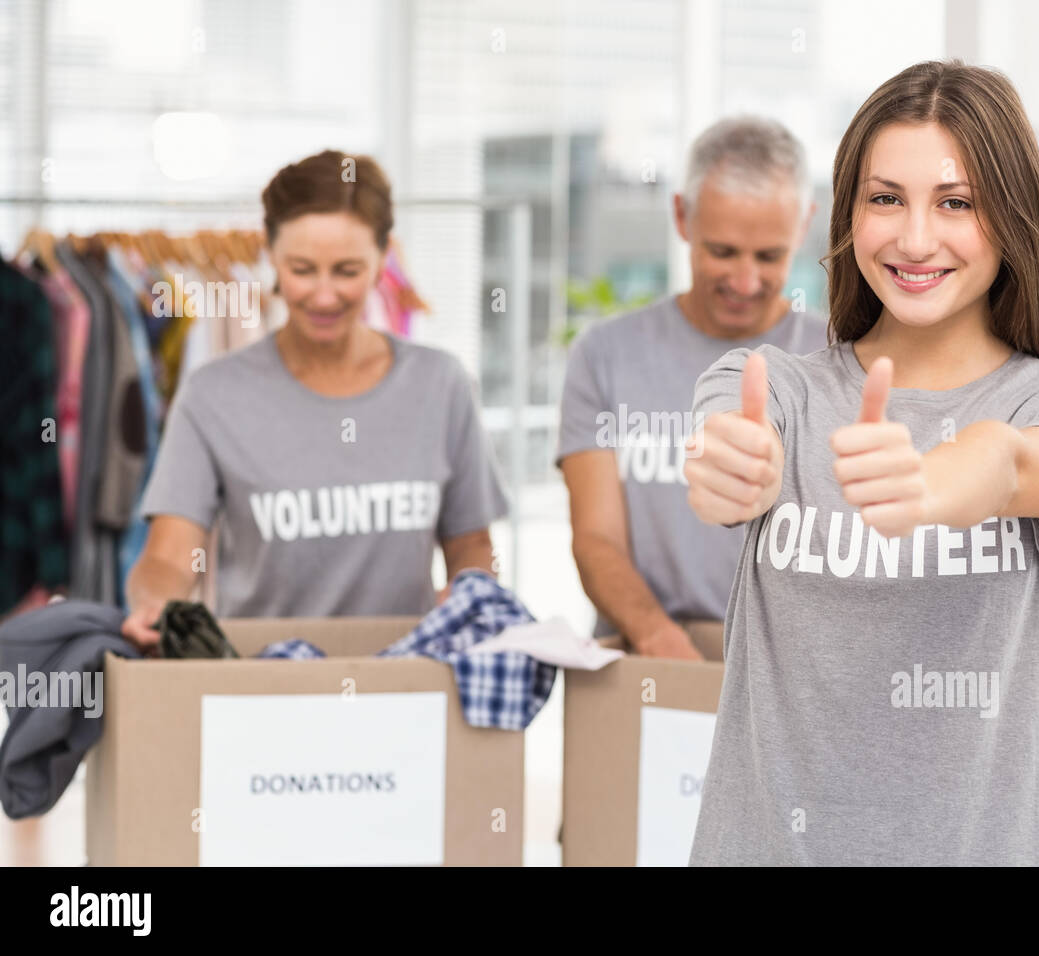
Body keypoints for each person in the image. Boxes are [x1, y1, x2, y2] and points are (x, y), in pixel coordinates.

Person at [683, 61, 1039, 865]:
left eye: (956, 202)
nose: (915, 238)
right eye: (885, 198)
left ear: (1011, 217)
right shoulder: (772, 388)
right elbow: (726, 435)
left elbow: (1014, 466)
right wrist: (733, 469)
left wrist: (937, 482)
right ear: (848, 213)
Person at [121, 150, 508, 647]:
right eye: (303, 269)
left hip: (410, 688)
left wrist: (472, 595)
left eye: (347, 271)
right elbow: (170, 557)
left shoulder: (441, 385)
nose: (324, 296)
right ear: (271, 257)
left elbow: (472, 543)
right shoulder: (213, 396)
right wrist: (155, 604)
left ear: (383, 258)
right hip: (262, 689)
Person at [557, 116, 826, 659]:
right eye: (723, 252)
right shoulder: (604, 356)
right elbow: (596, 538)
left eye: (769, 256)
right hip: (645, 658)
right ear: (682, 216)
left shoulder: (842, 357)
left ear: (804, 227)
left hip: (790, 670)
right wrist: (657, 636)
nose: (746, 282)